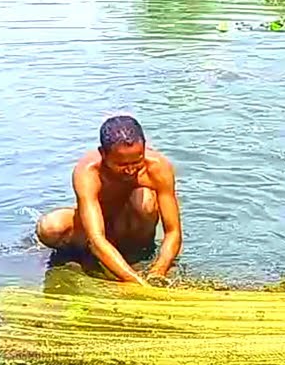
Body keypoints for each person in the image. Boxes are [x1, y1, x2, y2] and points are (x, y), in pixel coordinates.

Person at [36, 115, 183, 286]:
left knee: (145, 201)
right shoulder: (88, 173)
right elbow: (96, 239)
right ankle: (81, 260)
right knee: (50, 227)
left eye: (137, 161)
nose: (130, 170)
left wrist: (158, 271)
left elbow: (173, 232)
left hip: (134, 231)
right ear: (103, 154)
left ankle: (139, 255)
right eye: (121, 164)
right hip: (101, 229)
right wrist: (136, 282)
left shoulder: (158, 167)